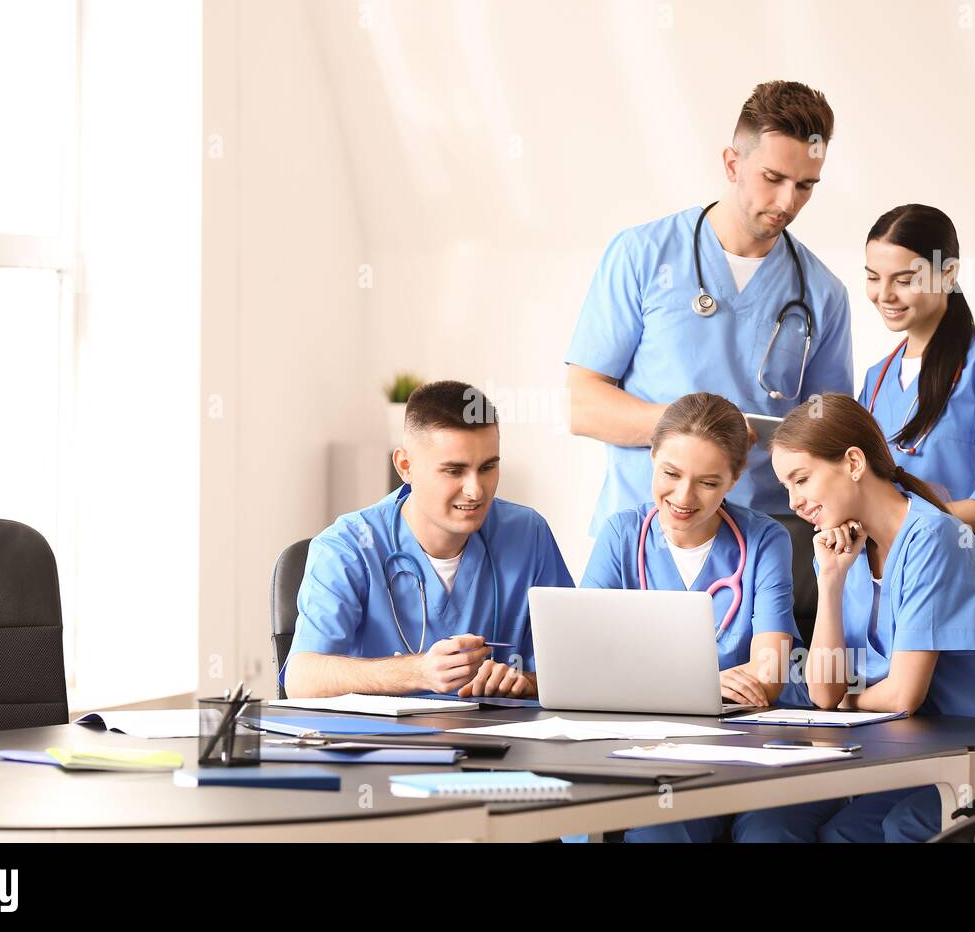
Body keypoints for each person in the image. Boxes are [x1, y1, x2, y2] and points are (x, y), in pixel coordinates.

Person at [732, 394, 975, 843]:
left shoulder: (935, 537)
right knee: (845, 833)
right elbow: (825, 692)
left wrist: (849, 702)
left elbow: (902, 695)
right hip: (957, 755)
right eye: (786, 486)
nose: (795, 501)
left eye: (801, 479)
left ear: (852, 462)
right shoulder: (845, 553)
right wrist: (830, 583)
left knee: (907, 826)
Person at [565, 80, 854, 538]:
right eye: (773, 179)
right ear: (732, 163)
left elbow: (830, 439)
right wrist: (701, 431)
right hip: (642, 532)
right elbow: (583, 405)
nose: (787, 202)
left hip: (757, 543)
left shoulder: (823, 294)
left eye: (805, 186)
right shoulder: (642, 255)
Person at [576, 392, 800, 843]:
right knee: (639, 827)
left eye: (708, 483)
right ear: (652, 456)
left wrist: (648, 683)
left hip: (743, 747)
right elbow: (585, 666)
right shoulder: (621, 534)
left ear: (735, 479)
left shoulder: (764, 540)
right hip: (645, 748)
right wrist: (701, 686)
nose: (683, 497)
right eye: (671, 474)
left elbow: (770, 673)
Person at [281, 380, 573, 699]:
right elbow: (302, 679)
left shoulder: (527, 533)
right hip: (386, 744)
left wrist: (526, 682)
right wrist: (419, 671)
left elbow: (576, 665)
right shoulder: (349, 545)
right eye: (453, 471)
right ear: (405, 466)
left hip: (505, 742)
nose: (476, 490)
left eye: (487, 467)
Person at [860, 203, 975, 640]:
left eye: (904, 280)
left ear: (947, 275)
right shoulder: (877, 379)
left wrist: (899, 522)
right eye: (872, 277)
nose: (884, 294)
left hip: (973, 592)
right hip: (895, 588)